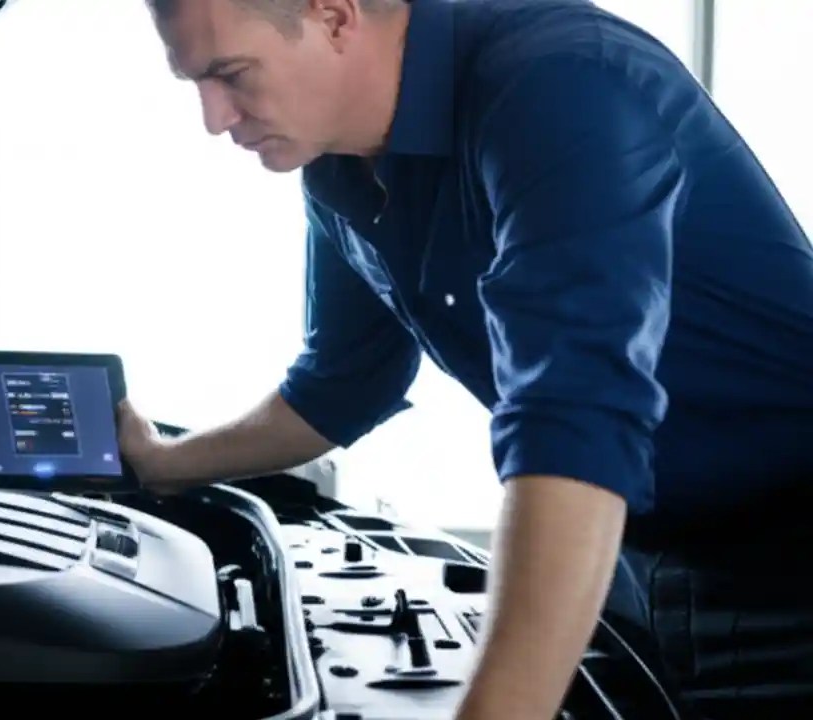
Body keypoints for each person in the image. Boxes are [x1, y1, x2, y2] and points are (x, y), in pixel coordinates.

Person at [117, 0, 813, 718]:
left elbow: (575, 416)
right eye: (195, 83)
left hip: (790, 560)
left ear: (333, 16)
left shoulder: (559, 84)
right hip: (638, 554)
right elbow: (341, 387)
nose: (214, 117)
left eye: (230, 74)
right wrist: (165, 462)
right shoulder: (337, 168)